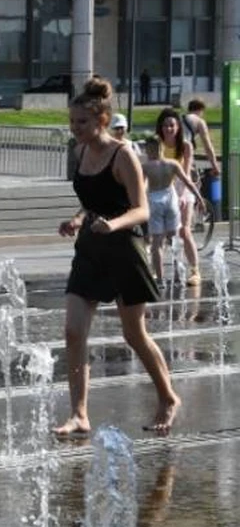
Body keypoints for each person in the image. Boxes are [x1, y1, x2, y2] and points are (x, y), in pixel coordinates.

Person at [54, 77, 180, 438]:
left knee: (134, 334)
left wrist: (113, 224)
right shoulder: (80, 152)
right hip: (91, 249)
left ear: (103, 120)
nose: (75, 128)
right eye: (72, 121)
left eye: (82, 122)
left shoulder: (122, 154)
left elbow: (141, 210)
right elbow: (92, 200)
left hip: (124, 248)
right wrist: (77, 219)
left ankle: (168, 397)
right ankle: (79, 414)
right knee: (73, 331)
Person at [141, 137, 204, 282]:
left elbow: (142, 187)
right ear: (162, 148)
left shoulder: (146, 166)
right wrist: (199, 198)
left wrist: (139, 203)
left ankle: (160, 279)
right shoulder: (172, 164)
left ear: (149, 150)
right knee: (174, 238)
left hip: (154, 200)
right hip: (171, 199)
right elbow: (187, 182)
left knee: (157, 241)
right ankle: (177, 274)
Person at [157, 108, 201, 286]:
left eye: (172, 125)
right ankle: (171, 271)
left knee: (184, 231)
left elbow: (186, 173)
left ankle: (195, 271)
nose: (169, 128)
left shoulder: (185, 146)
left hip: (183, 189)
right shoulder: (158, 145)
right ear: (161, 127)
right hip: (165, 191)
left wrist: (182, 195)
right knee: (167, 234)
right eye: (165, 125)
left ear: (178, 127)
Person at [182, 98, 222, 177]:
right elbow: (208, 146)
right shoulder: (199, 121)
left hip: (170, 151)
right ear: (201, 110)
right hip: (185, 152)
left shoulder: (181, 117)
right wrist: (215, 166)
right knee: (190, 179)